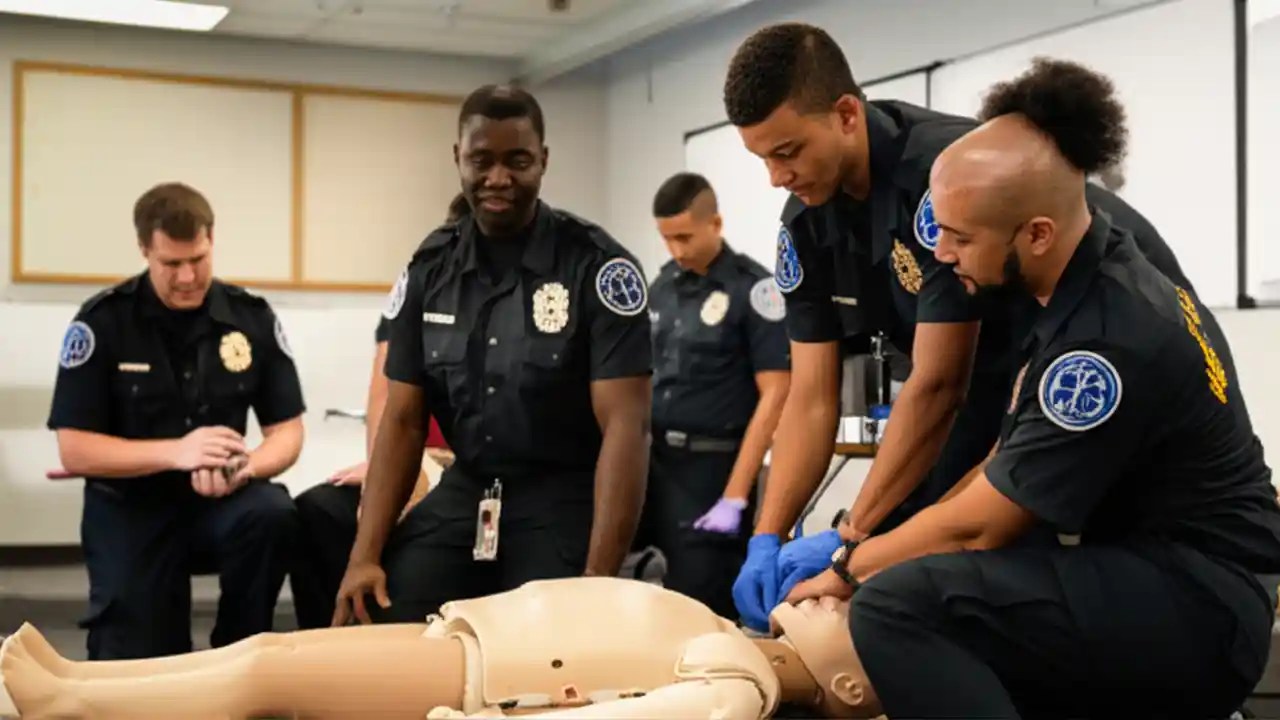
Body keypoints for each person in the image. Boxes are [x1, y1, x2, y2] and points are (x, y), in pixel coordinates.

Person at [785, 58, 1280, 719]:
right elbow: (1000, 468)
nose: (943, 256)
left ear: (1036, 235)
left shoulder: (1105, 343)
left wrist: (851, 566)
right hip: (1162, 573)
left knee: (897, 606)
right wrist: (867, 551)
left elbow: (979, 527)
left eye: (959, 239)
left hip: (1203, 603)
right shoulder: (1072, 291)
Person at [720, 22, 1193, 631]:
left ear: (845, 115)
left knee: (962, 572)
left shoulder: (939, 183)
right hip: (989, 384)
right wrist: (768, 533)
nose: (775, 177)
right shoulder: (806, 223)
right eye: (762, 159)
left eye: (787, 153)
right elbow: (812, 396)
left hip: (1088, 364)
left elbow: (941, 385)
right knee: (912, 564)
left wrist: (852, 541)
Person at [331, 85, 653, 627]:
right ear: (458, 158)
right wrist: (364, 555)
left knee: (541, 641)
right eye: (482, 160)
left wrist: (598, 579)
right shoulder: (429, 269)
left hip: (562, 497)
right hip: (468, 489)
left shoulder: (597, 269)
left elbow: (628, 427)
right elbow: (404, 421)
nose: (498, 178)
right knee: (386, 608)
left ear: (543, 162)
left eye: (518, 161)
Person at [0, 576, 880, 720]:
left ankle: (72, 703)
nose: (837, 597)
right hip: (469, 632)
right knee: (265, 645)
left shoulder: (743, 684)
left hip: (481, 675)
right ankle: (81, 674)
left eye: (850, 613)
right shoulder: (729, 635)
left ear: (843, 679)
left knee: (267, 675)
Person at [45, 182, 304, 660]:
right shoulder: (103, 322)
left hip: (217, 502)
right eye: (171, 264)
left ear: (211, 242)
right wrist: (176, 451)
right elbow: (74, 448)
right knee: (137, 666)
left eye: (199, 259)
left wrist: (246, 467)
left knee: (273, 513)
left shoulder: (250, 317)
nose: (188, 277)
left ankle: (241, 653)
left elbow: (287, 429)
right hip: (131, 508)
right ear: (145, 250)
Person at [290, 192, 469, 629]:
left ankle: (397, 627)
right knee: (318, 509)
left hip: (476, 468)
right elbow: (385, 397)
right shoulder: (420, 291)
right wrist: (380, 465)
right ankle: (323, 644)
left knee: (406, 521)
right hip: (417, 455)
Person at [635, 172, 791, 619]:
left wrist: (736, 495)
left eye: (685, 237)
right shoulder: (663, 284)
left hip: (714, 469)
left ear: (716, 223)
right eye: (667, 239)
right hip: (658, 463)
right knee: (645, 598)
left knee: (702, 607)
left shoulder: (755, 289)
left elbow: (777, 393)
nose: (676, 250)